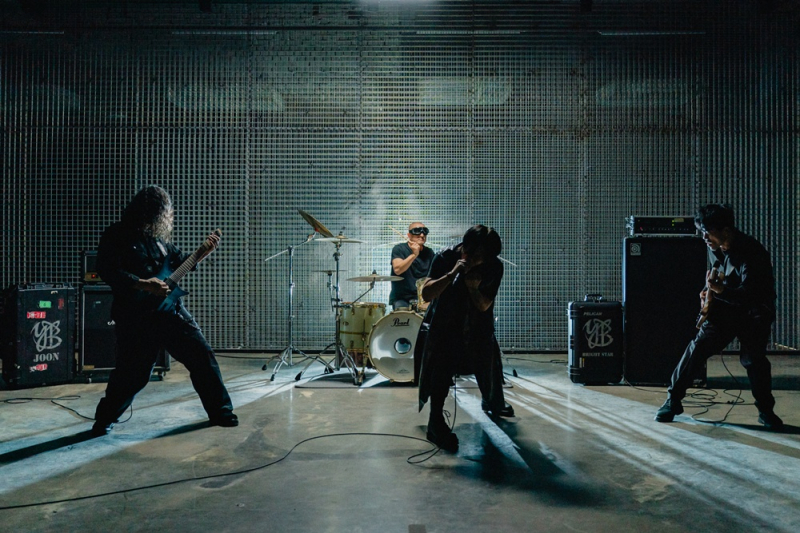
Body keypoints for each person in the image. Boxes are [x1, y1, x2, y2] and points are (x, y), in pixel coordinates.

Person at [91, 185, 238, 436]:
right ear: (148, 212)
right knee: (133, 375)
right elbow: (107, 270)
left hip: (170, 312)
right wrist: (143, 284)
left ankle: (221, 412)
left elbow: (180, 264)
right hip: (136, 318)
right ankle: (104, 419)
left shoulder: (159, 240)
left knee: (202, 356)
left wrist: (202, 253)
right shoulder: (117, 234)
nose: (166, 217)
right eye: (163, 213)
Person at [655, 204, 783, 431]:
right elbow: (718, 273)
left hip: (754, 311)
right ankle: (672, 400)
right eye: (701, 232)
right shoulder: (715, 246)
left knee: (753, 360)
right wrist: (708, 293)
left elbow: (749, 294)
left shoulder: (752, 252)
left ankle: (766, 411)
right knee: (697, 348)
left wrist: (721, 291)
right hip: (727, 308)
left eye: (707, 232)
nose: (704, 237)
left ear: (725, 231)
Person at [416, 224, 513, 452]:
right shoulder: (445, 257)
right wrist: (452, 275)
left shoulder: (493, 265)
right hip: (445, 325)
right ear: (466, 250)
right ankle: (435, 421)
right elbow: (427, 294)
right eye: (478, 256)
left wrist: (473, 287)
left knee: (488, 368)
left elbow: (484, 304)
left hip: (478, 326)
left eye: (485, 257)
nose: (480, 261)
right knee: (440, 372)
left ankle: (493, 401)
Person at [389, 222, 435, 310]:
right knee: (403, 316)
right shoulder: (399, 249)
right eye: (417, 231)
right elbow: (398, 270)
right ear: (409, 235)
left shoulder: (429, 252)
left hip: (422, 298)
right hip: (402, 298)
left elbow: (434, 276)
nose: (422, 235)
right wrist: (414, 255)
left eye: (425, 231)